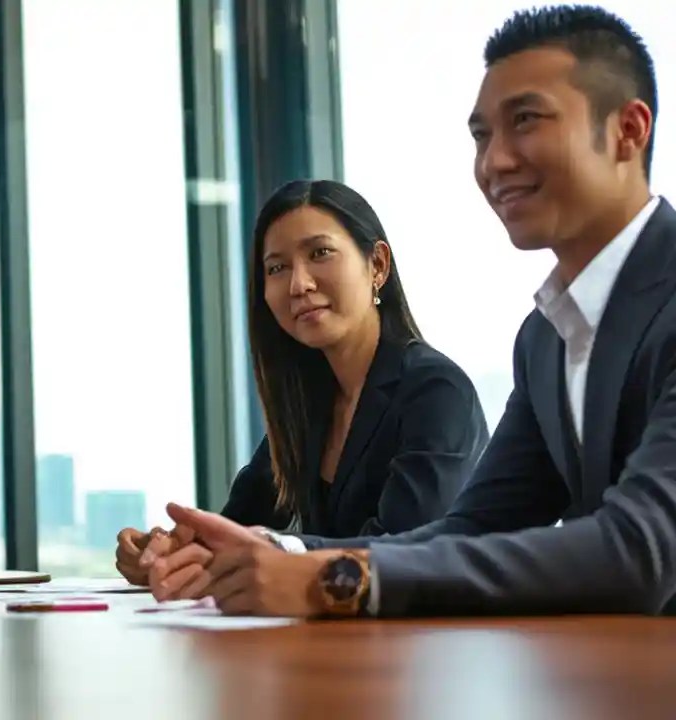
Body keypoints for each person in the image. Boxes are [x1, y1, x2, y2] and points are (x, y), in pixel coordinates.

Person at [145, 4, 676, 619]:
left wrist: (333, 579)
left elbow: (641, 549)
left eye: (526, 121)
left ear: (628, 130)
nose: (495, 162)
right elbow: (474, 530)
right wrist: (281, 552)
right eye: (482, 136)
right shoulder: (545, 339)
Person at [115, 180, 488, 585]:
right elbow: (237, 532)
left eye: (320, 253)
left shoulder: (435, 391)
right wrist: (170, 553)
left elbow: (407, 552)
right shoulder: (309, 401)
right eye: (277, 268)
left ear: (377, 265)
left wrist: (280, 550)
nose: (299, 285)